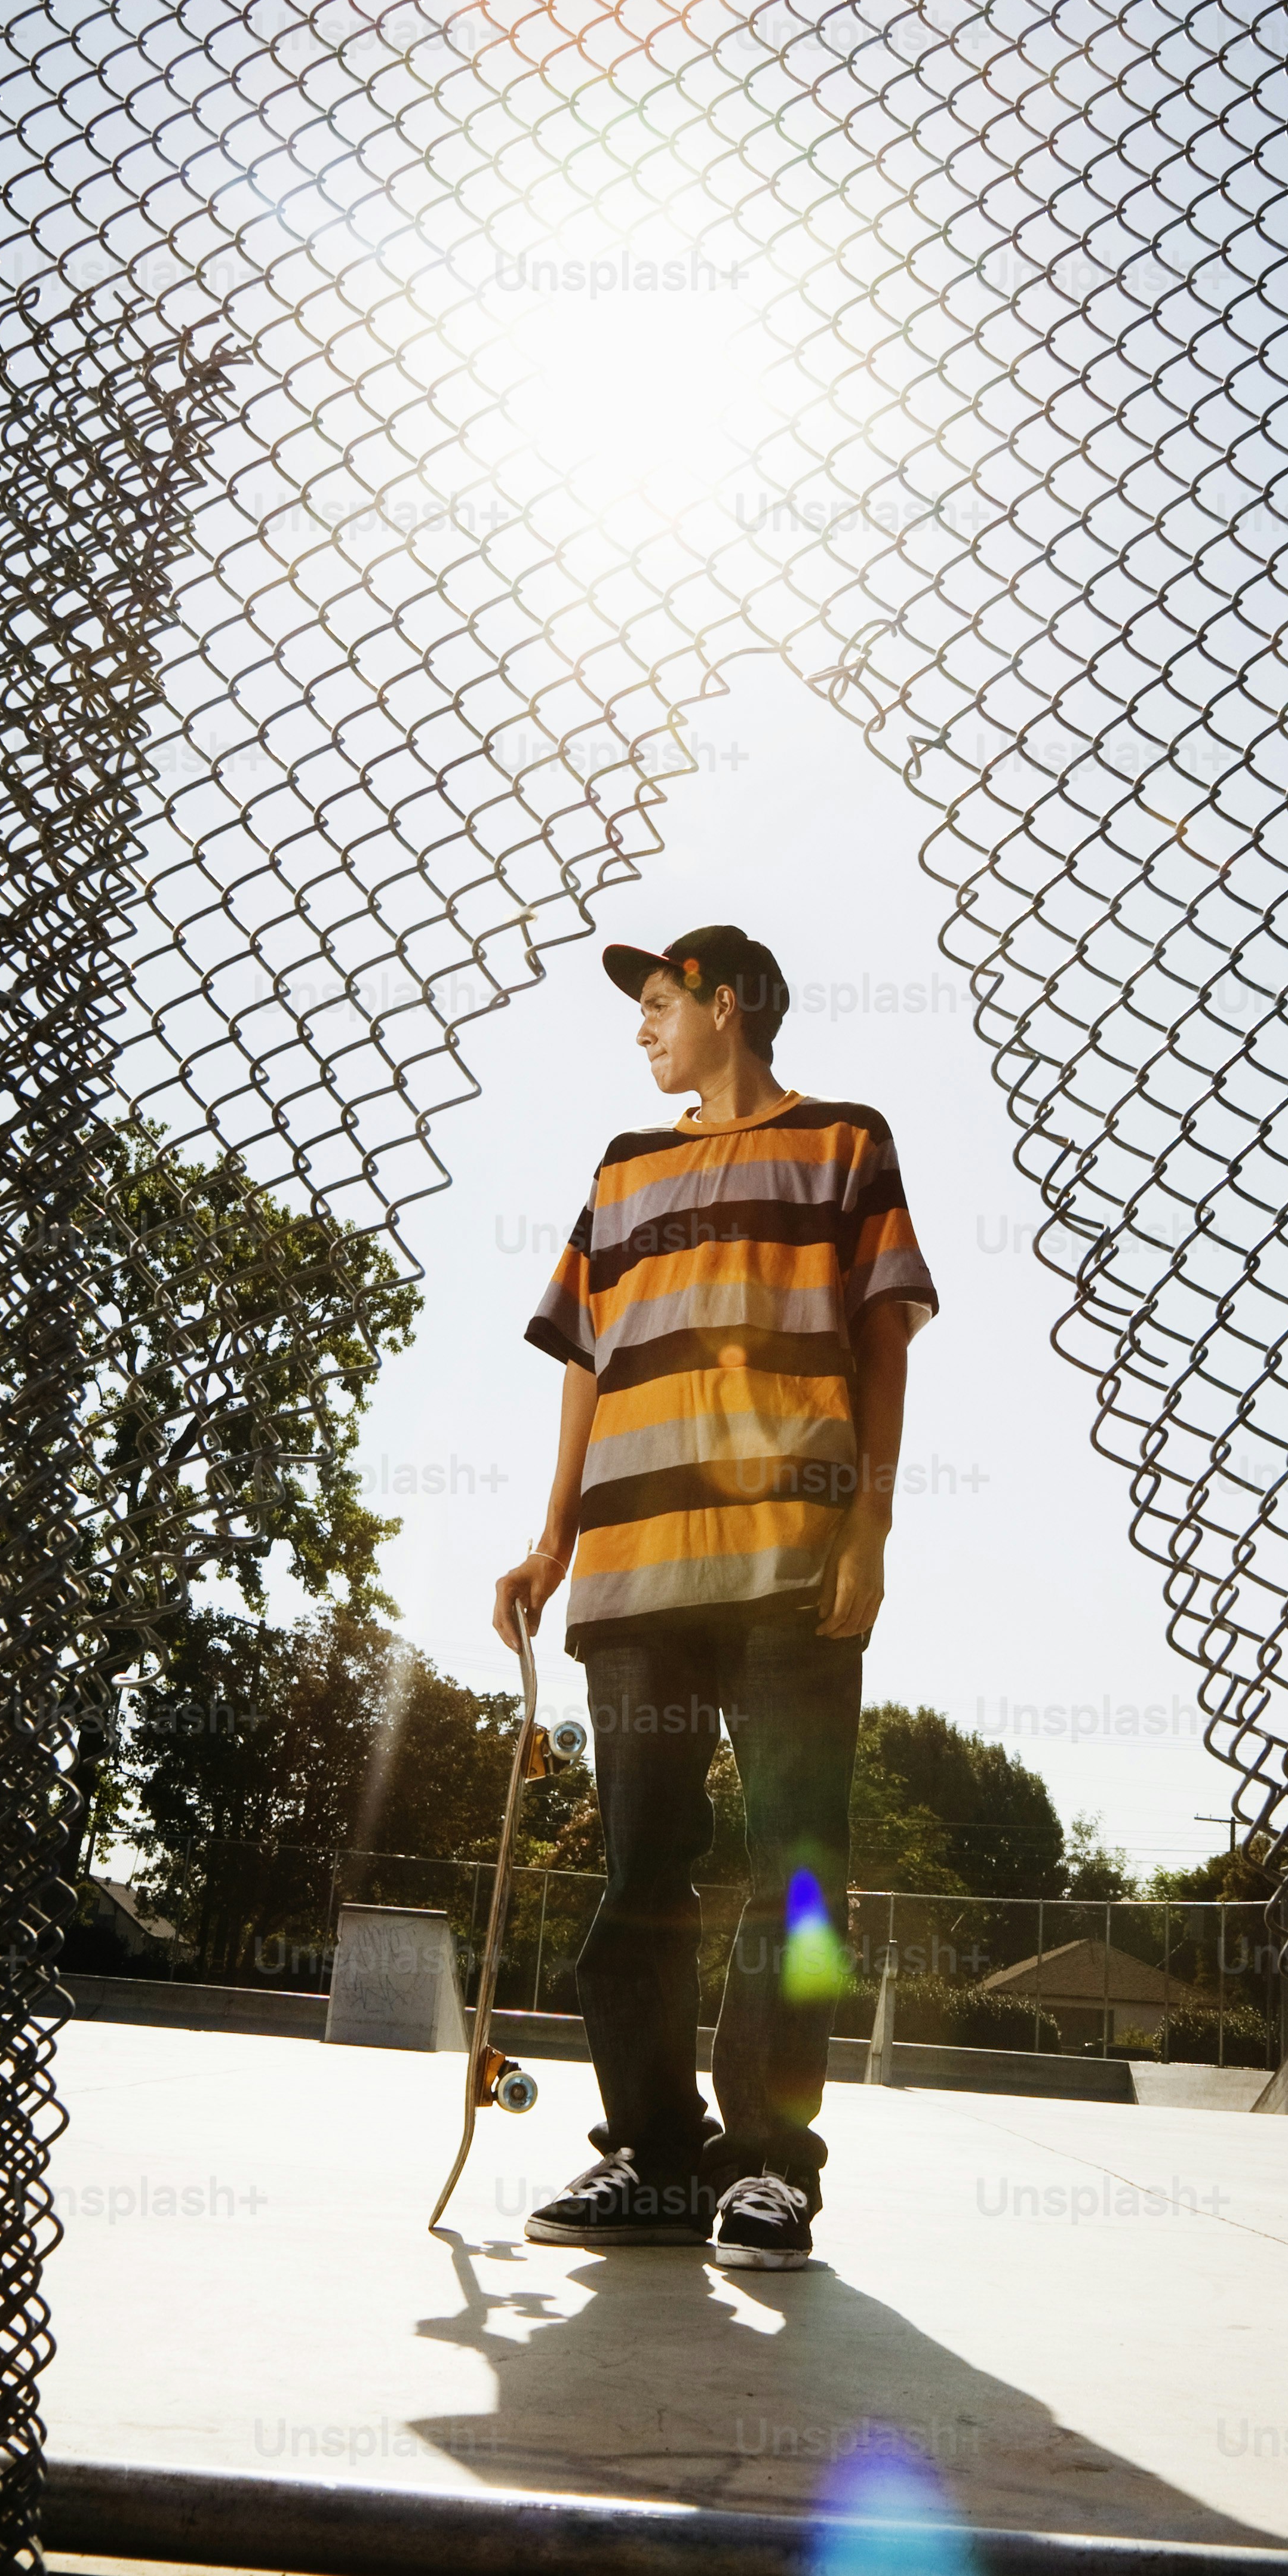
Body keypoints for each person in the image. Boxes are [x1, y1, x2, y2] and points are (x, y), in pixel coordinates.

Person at [492, 923, 938, 2268]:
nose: (641, 1028)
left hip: (788, 1572)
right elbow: (586, 1357)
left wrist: (869, 1529)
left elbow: (879, 1341)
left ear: (725, 1005)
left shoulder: (848, 1142)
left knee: (798, 1874)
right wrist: (551, 1537)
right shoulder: (623, 1169)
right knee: (642, 1873)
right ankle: (654, 2153)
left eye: (658, 1003)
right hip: (632, 1576)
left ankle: (770, 2169)